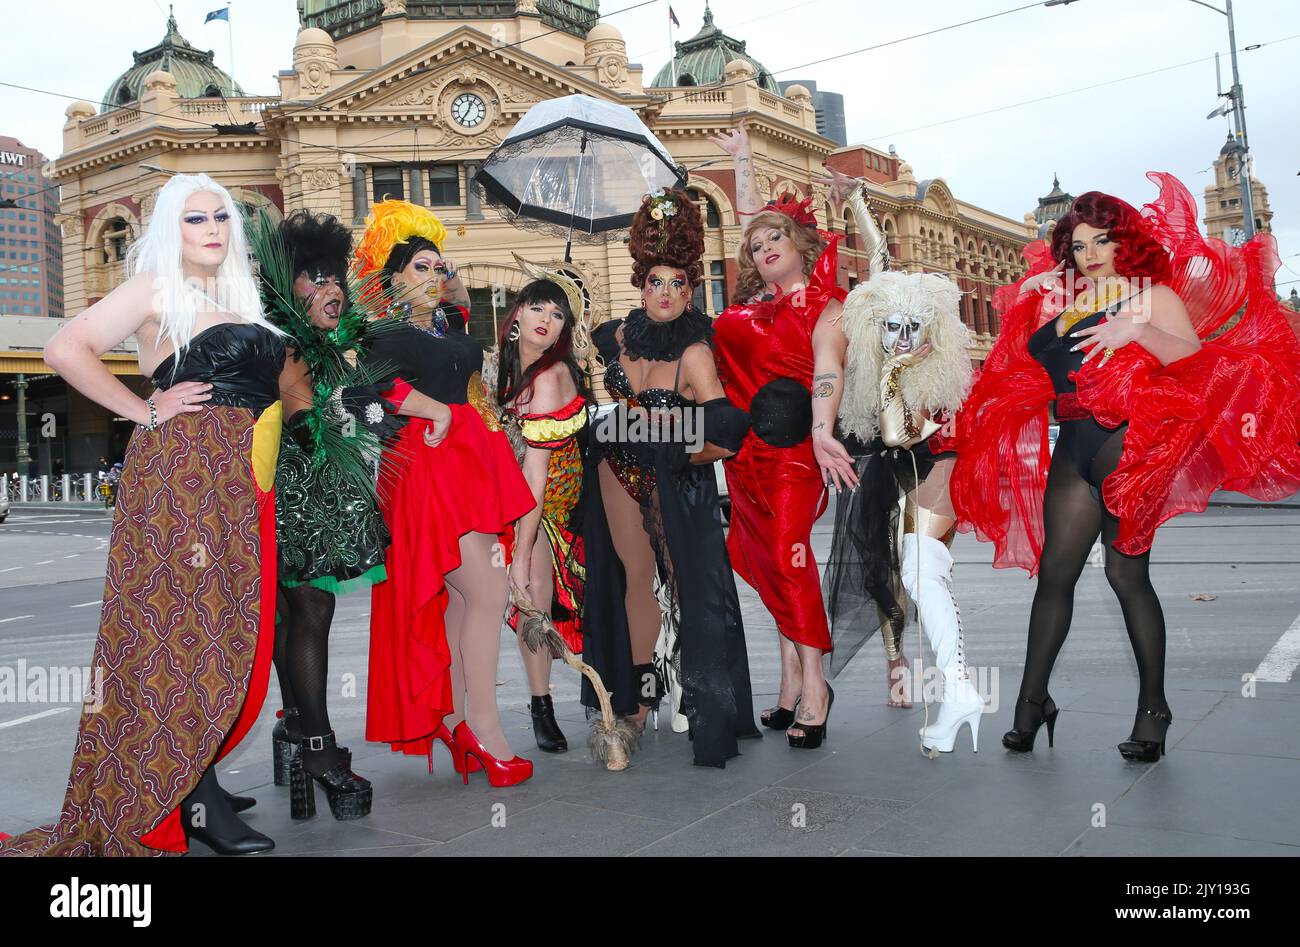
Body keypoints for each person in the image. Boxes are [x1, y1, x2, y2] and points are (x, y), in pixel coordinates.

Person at [951, 173, 1300, 761]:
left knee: (1125, 577)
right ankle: (1032, 703)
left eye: (1101, 242)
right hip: (1074, 446)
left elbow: (1194, 359)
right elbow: (1034, 359)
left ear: (1124, 243)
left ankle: (1154, 710)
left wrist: (1137, 328)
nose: (1089, 255)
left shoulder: (1151, 296)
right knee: (1054, 576)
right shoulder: (1065, 298)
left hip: (1128, 445)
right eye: (1079, 245)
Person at [0, 173, 285, 855]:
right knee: (187, 629)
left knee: (223, 628)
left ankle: (190, 776)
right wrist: (143, 409)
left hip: (239, 481)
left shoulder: (236, 296)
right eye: (194, 219)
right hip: (182, 479)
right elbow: (64, 347)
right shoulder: (157, 288)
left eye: (221, 216)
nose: (212, 228)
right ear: (169, 230)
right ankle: (194, 797)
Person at [252, 210, 448, 819]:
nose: (333, 289)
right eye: (315, 278)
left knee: (302, 615)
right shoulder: (287, 348)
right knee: (309, 610)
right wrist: (352, 415)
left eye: (335, 277)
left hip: (327, 495)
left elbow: (375, 392)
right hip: (293, 498)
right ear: (287, 289)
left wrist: (429, 410)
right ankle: (316, 747)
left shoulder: (339, 343)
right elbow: (308, 417)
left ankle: (296, 730)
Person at [357, 200, 537, 787]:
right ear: (392, 280)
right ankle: (483, 730)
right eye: (420, 268)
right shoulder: (382, 331)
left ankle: (462, 722)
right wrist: (435, 409)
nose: (435, 277)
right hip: (426, 468)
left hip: (467, 460)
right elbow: (370, 386)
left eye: (440, 267)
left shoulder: (450, 325)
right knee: (488, 596)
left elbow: (469, 384)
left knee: (467, 602)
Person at [581, 189, 757, 767]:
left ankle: (706, 702)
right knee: (632, 579)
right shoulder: (613, 337)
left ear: (691, 290)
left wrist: (669, 429)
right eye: (656, 280)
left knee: (689, 586)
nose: (666, 293)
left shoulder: (696, 353)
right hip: (613, 466)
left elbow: (727, 426)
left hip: (675, 475)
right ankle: (635, 702)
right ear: (641, 283)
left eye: (678, 283)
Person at [814, 172, 982, 753]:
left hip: (936, 469)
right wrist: (855, 202)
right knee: (886, 570)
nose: (903, 336)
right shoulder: (876, 348)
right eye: (891, 326)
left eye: (913, 327)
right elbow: (880, 263)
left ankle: (956, 688)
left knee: (921, 571)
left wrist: (896, 374)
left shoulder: (942, 376)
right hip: (885, 469)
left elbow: (911, 429)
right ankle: (909, 669)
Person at [710, 121, 845, 748]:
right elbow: (748, 216)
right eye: (755, 241)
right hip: (743, 458)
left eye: (775, 237)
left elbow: (827, 370)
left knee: (791, 557)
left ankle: (814, 683)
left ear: (800, 244)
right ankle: (790, 671)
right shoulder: (741, 311)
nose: (763, 244)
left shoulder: (823, 303)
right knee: (753, 555)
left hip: (793, 453)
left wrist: (821, 433)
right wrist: (740, 163)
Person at [493, 271, 592, 753]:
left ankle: (542, 706)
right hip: (508, 506)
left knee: (531, 595)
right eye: (537, 307)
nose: (546, 320)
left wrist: (520, 552)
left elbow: (537, 476)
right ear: (515, 315)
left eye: (557, 315)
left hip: (548, 512)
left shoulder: (551, 377)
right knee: (523, 603)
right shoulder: (501, 372)